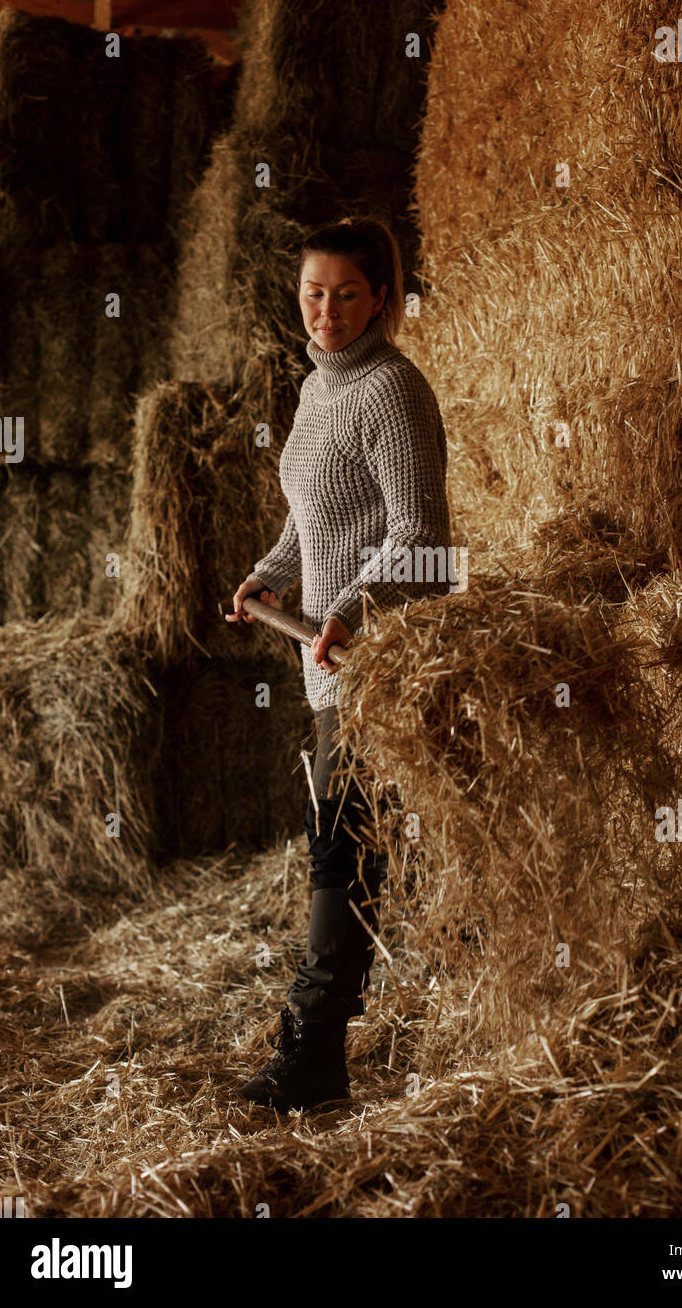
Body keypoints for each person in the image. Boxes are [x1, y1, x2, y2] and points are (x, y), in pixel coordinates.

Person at [227, 215, 453, 1114]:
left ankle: (313, 1053)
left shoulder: (392, 391)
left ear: (383, 298)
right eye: (312, 294)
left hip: (382, 663)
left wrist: (357, 609)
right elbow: (310, 519)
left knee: (340, 852)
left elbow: (422, 540)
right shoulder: (319, 388)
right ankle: (317, 1052)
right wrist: (270, 574)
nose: (324, 311)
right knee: (345, 847)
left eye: (345, 294)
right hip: (330, 661)